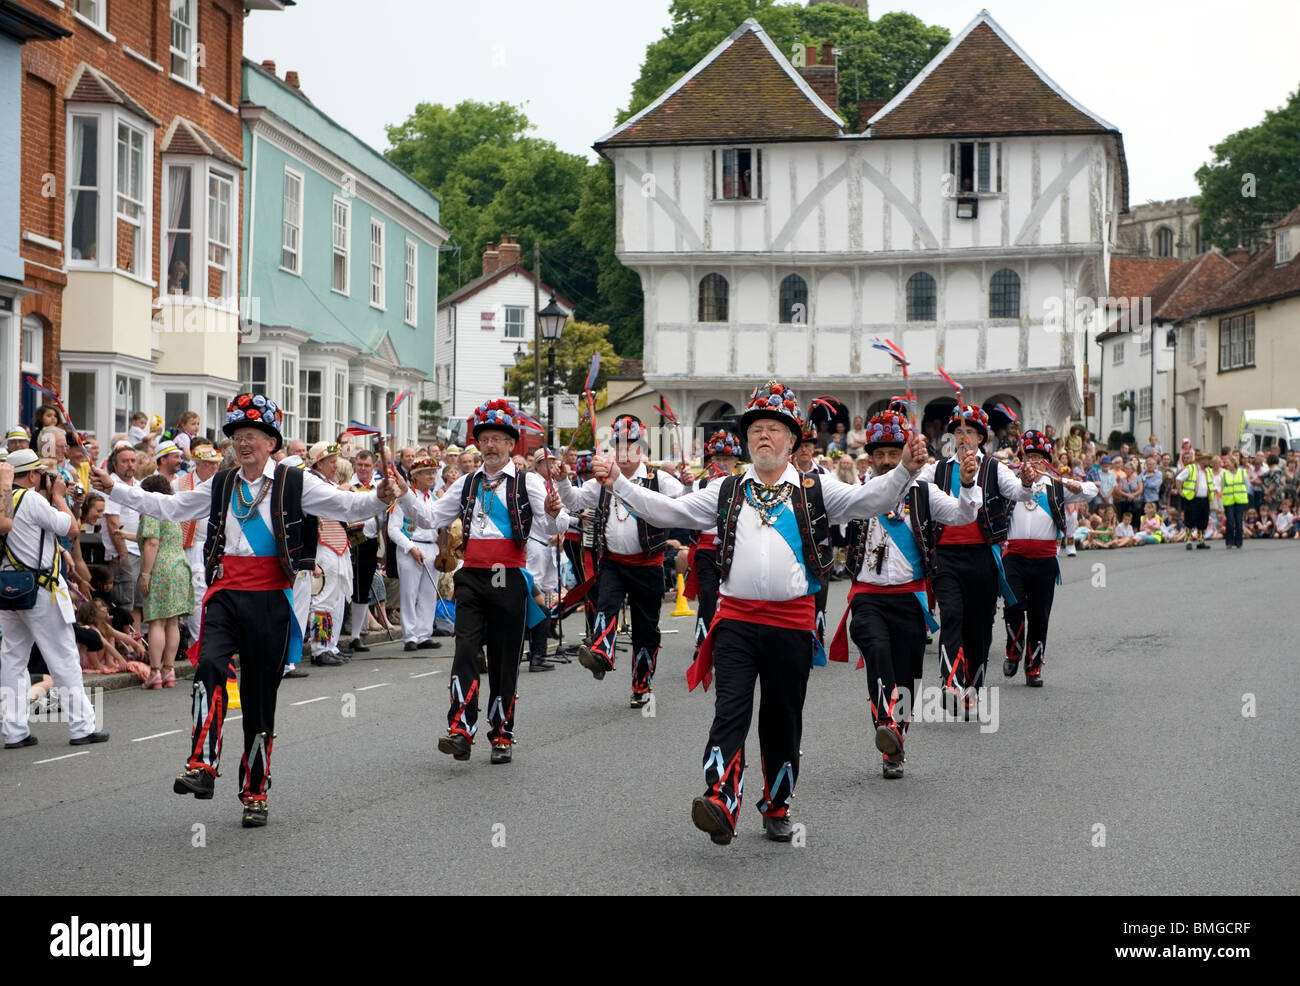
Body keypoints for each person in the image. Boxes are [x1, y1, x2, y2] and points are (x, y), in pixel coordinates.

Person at [593, 381, 928, 844]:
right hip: (735, 623)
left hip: (791, 625)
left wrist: (904, 472)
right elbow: (669, 510)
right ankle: (721, 798)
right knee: (730, 710)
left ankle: (777, 803)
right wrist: (618, 482)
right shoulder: (727, 490)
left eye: (774, 429)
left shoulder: (816, 490)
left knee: (782, 718)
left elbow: (869, 501)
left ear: (792, 440)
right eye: (755, 429)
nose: (763, 436)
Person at [89, 393, 403, 827]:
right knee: (210, 667)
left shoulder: (295, 482)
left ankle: (255, 791)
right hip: (225, 595)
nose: (242, 443)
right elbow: (170, 507)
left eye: (251, 435)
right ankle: (202, 764)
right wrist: (117, 489)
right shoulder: (221, 483)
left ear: (271, 442)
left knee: (258, 704)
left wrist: (380, 497)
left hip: (272, 601)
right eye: (237, 436)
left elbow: (346, 506)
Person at [398, 399, 556, 765]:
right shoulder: (466, 483)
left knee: (503, 661)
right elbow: (430, 517)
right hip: (471, 577)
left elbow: (552, 529)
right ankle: (460, 730)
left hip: (509, 578)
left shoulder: (527, 482)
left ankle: (501, 735)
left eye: (499, 438)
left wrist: (552, 511)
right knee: (466, 651)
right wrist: (404, 493)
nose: (491, 445)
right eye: (485, 438)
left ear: (512, 445)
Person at [828, 410, 981, 778]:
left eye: (892, 453)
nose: (885, 460)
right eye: (878, 453)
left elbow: (963, 516)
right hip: (867, 597)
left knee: (908, 676)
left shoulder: (925, 493)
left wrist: (967, 484)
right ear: (869, 456)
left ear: (904, 454)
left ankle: (894, 744)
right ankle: (887, 724)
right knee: (876, 651)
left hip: (911, 598)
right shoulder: (856, 494)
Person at [554, 414, 685, 710]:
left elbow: (685, 506)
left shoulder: (658, 479)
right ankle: (601, 653)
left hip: (648, 564)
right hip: (612, 561)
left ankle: (641, 684)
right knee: (606, 605)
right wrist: (563, 480)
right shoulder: (602, 481)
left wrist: (688, 485)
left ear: (641, 449)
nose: (624, 452)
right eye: (619, 446)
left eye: (630, 445)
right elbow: (574, 502)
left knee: (645, 630)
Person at [912, 406, 1034, 712]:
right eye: (958, 431)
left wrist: (1028, 482)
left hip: (982, 556)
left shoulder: (994, 468)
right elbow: (909, 484)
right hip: (945, 557)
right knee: (951, 614)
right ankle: (950, 680)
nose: (962, 437)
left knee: (979, 625)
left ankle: (973, 686)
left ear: (981, 437)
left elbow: (1019, 493)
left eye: (969, 431)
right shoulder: (937, 469)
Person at [0, 451, 109, 749]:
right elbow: (72, 529)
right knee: (63, 657)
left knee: (12, 660)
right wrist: (59, 497)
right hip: (41, 590)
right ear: (32, 475)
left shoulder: (4, 502)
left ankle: (14, 731)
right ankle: (81, 727)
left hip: (8, 589)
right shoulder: (32, 500)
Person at [1002, 431, 1097, 688]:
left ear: (1047, 460)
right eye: (1030, 456)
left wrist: (1077, 484)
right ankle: (1013, 650)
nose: (1034, 462)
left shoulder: (1056, 485)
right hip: (1013, 557)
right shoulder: (1010, 482)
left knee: (1039, 615)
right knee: (1013, 606)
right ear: (1023, 458)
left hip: (1045, 560)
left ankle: (1033, 667)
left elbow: (1090, 491)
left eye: (1039, 458)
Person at [684, 429, 742, 662]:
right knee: (708, 595)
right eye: (717, 459)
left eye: (726, 459)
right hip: (707, 548)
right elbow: (686, 508)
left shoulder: (743, 482)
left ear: (736, 460)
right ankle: (703, 641)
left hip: (735, 548)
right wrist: (687, 486)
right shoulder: (702, 484)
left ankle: (732, 643)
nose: (722, 463)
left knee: (732, 596)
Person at [136, 474, 193, 688]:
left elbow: (152, 542)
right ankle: (170, 670)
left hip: (160, 567)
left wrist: (145, 574)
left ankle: (155, 672)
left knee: (156, 621)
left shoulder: (152, 508)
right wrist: (125, 535)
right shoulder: (172, 508)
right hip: (179, 565)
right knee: (172, 621)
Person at [305, 443, 356, 666]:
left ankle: (330, 644)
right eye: (332, 461)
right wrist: (341, 491)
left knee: (336, 598)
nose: (336, 465)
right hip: (324, 545)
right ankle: (319, 648)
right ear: (320, 462)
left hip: (338, 544)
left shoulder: (327, 483)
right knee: (323, 600)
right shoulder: (313, 481)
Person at [387, 455, 443, 652]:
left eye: (433, 472)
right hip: (410, 546)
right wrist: (410, 548)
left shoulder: (436, 498)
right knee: (409, 593)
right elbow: (392, 529)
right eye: (427, 473)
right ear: (415, 476)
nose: (431, 476)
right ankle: (410, 635)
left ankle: (423, 633)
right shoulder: (404, 497)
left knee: (429, 594)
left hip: (432, 547)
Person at [345, 448, 382, 653]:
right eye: (359, 465)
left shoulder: (379, 487)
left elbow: (385, 517)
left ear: (373, 466)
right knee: (345, 586)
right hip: (349, 540)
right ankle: (336, 634)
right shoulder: (348, 486)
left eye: (367, 465)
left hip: (370, 541)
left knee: (363, 588)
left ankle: (356, 636)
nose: (363, 469)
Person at [1175, 451, 1213, 549]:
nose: (1208, 461)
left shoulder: (1208, 470)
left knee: (1203, 520)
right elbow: (1179, 479)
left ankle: (1201, 541)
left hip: (1204, 499)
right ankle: (1188, 541)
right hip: (1192, 498)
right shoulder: (1190, 468)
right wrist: (1180, 492)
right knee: (1190, 520)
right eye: (1207, 459)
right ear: (1201, 460)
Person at [1221, 449, 1248, 549]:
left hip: (1240, 500)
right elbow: (1223, 487)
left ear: (1233, 463)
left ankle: (1238, 542)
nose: (1226, 464)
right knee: (1230, 521)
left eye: (1228, 462)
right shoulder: (1224, 474)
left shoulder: (1242, 473)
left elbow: (1246, 485)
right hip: (1228, 500)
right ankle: (1229, 541)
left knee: (1238, 521)